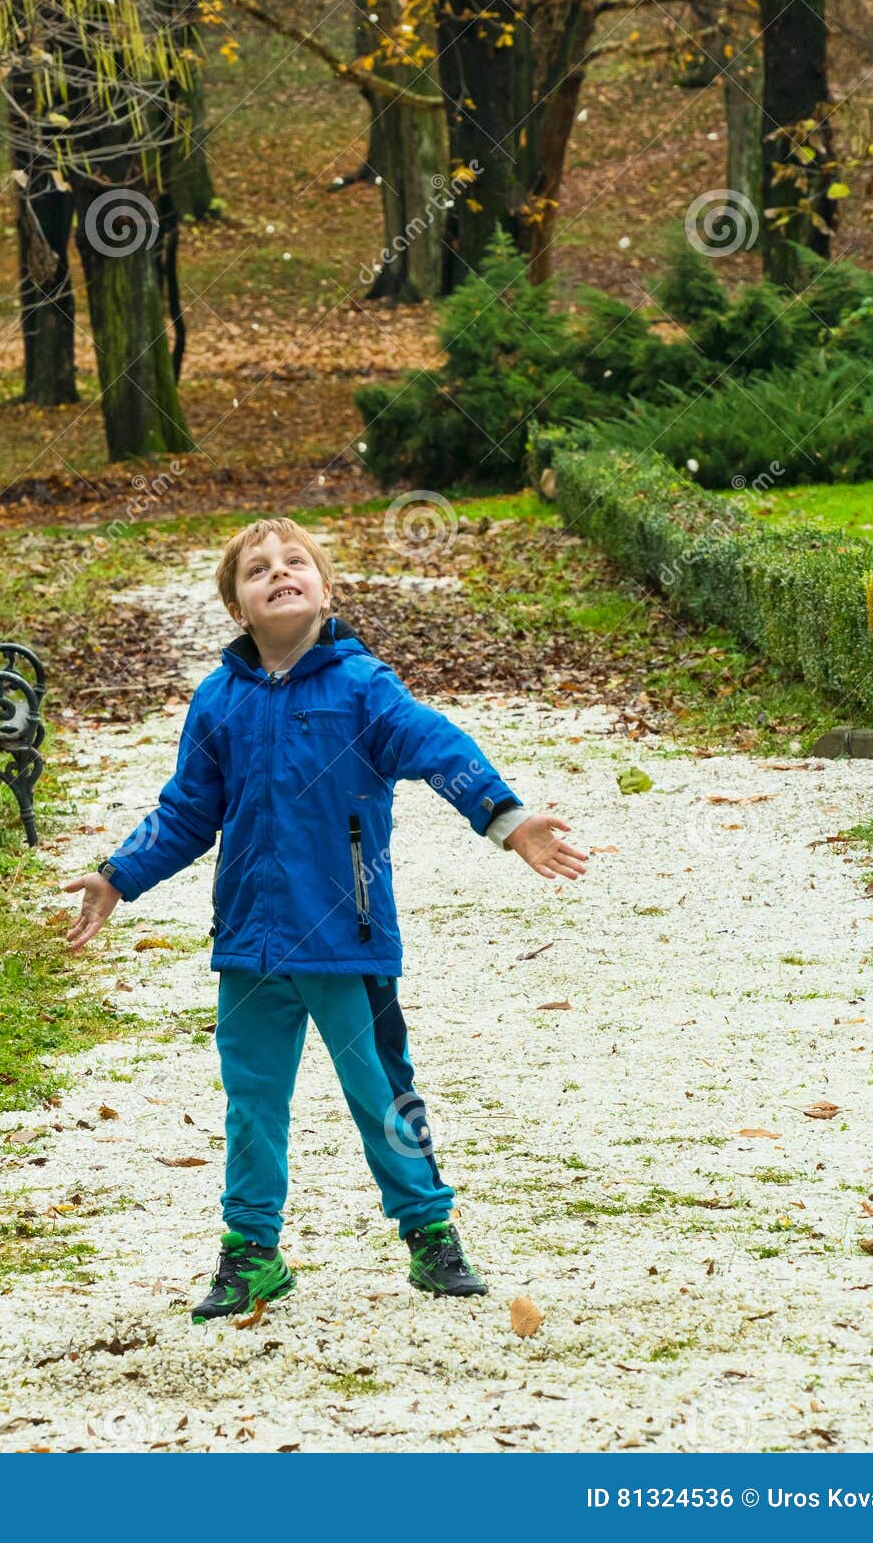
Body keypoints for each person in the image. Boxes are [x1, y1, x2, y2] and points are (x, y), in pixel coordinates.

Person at [63, 517, 587, 1322]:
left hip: (348, 938)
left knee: (383, 1091)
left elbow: (436, 745)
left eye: (295, 562)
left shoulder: (362, 687)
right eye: (257, 569)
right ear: (238, 607)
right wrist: (117, 876)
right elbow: (186, 812)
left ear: (325, 589)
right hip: (248, 944)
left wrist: (507, 819)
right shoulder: (219, 700)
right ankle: (251, 1252)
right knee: (252, 1099)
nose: (279, 573)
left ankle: (430, 1231)